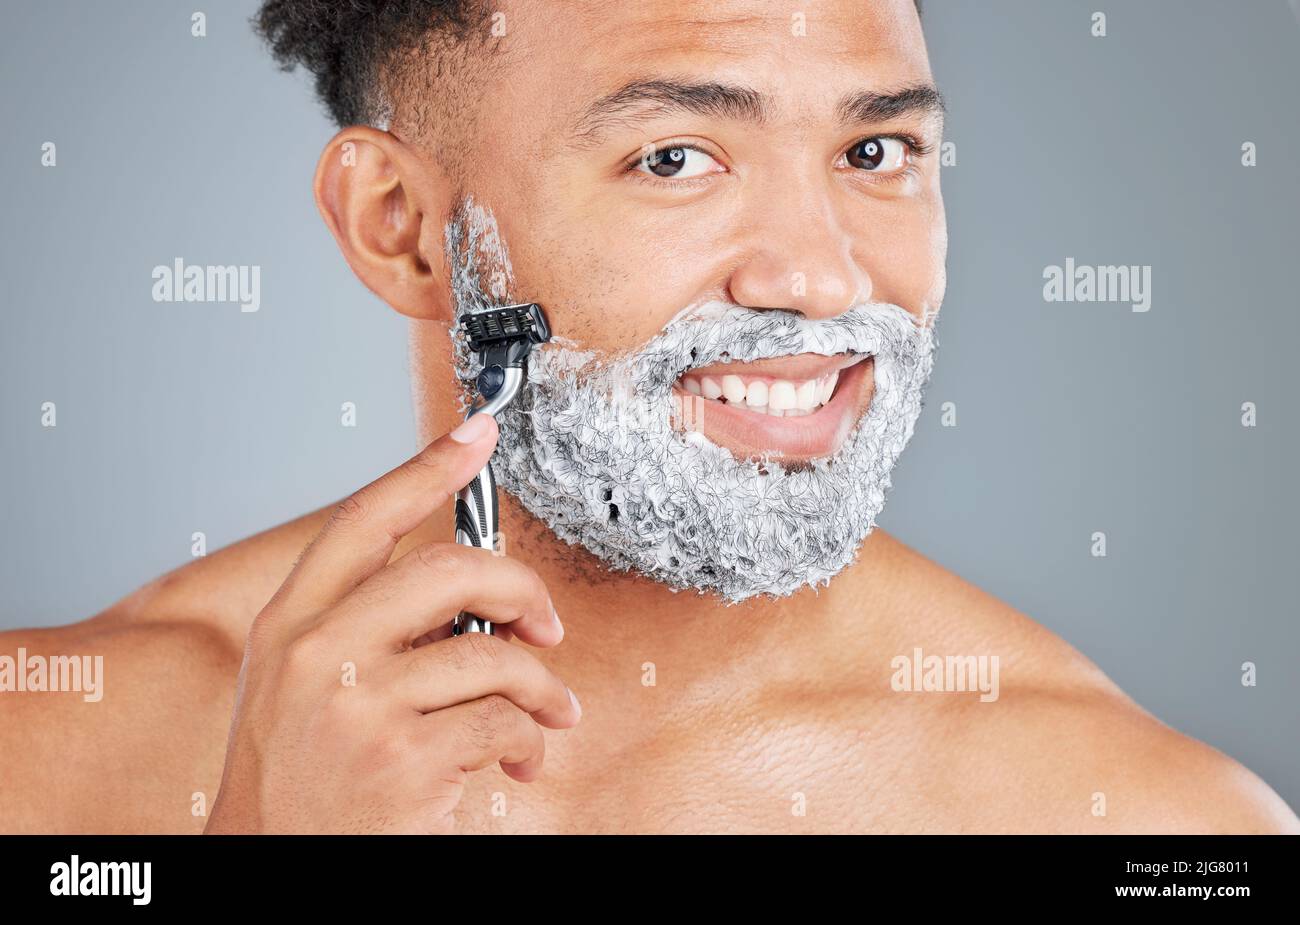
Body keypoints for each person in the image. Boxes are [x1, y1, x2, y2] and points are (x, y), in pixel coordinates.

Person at [2, 0, 1295, 834]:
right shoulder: (45, 752)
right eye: (675, 158)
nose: (819, 279)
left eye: (875, 153)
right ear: (402, 228)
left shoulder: (1136, 815)